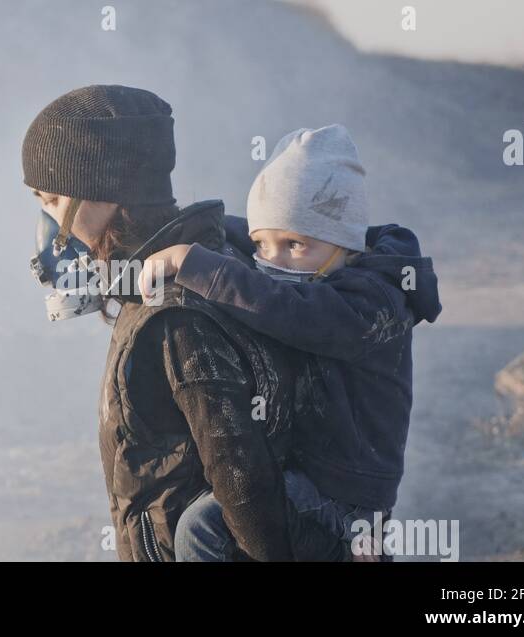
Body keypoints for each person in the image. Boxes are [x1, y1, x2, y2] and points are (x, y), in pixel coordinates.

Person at [23, 84, 349, 561]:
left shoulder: (174, 313)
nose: (47, 225)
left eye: (51, 199)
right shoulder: (206, 267)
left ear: (107, 193)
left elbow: (246, 491)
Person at [138, 125, 443, 560]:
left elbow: (289, 309)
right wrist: (185, 231)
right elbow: (256, 235)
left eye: (294, 245)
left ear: (345, 246)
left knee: (205, 527)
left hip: (346, 502)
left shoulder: (373, 303)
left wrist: (192, 262)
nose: (273, 260)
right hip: (307, 472)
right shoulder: (316, 258)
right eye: (264, 245)